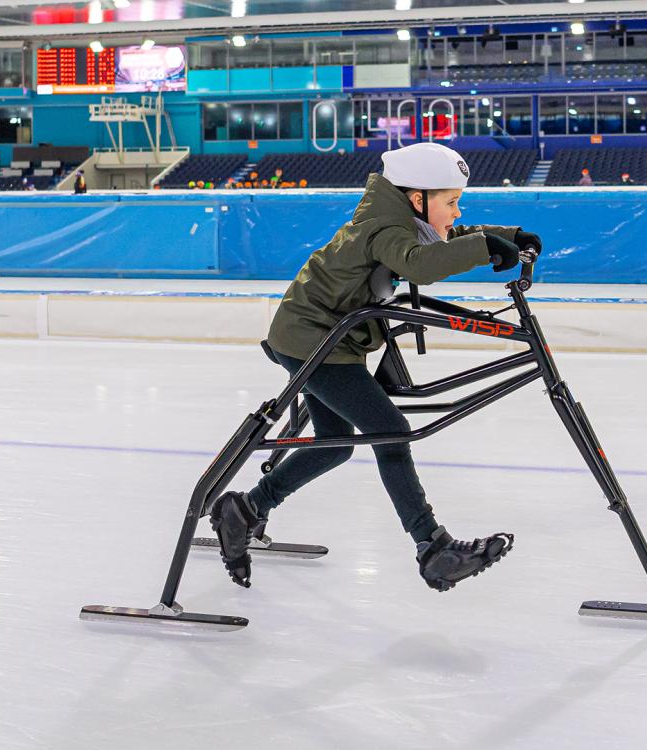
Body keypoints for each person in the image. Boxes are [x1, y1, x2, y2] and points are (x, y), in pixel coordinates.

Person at [207, 142, 543, 592]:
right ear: (417, 198)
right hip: (313, 343)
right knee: (390, 430)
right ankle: (432, 547)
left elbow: (444, 238)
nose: (456, 211)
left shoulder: (398, 219)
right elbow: (419, 264)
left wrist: (507, 236)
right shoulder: (386, 228)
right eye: (451, 201)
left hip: (326, 341)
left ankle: (245, 510)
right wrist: (484, 248)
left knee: (334, 444)